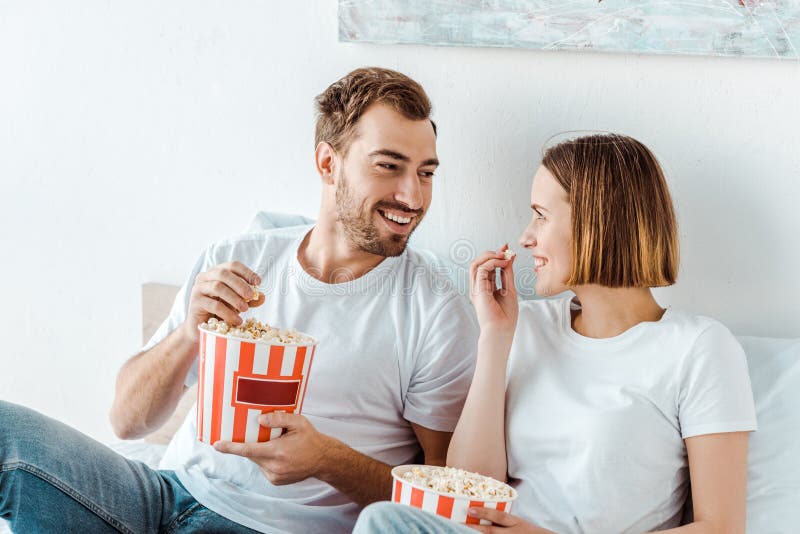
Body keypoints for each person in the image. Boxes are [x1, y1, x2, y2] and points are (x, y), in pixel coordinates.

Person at [0, 67, 479, 533]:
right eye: (389, 166)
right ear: (328, 163)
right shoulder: (239, 258)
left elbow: (442, 500)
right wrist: (189, 334)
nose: (412, 196)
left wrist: (327, 460)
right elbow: (126, 422)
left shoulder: (434, 310)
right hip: (161, 495)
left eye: (426, 172)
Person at [354, 133, 757, 533]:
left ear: (596, 221)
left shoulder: (699, 348)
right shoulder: (526, 325)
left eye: (541, 215)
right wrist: (495, 337)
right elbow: (468, 491)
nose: (526, 237)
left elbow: (721, 528)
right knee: (382, 519)